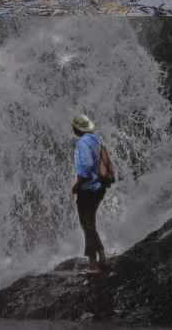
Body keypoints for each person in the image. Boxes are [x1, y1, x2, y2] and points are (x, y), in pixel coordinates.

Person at [70, 114, 108, 274]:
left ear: (77, 129)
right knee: (90, 224)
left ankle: (93, 265)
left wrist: (77, 184)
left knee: (87, 225)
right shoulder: (95, 140)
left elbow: (85, 166)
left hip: (88, 189)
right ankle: (102, 255)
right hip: (100, 187)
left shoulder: (82, 143)